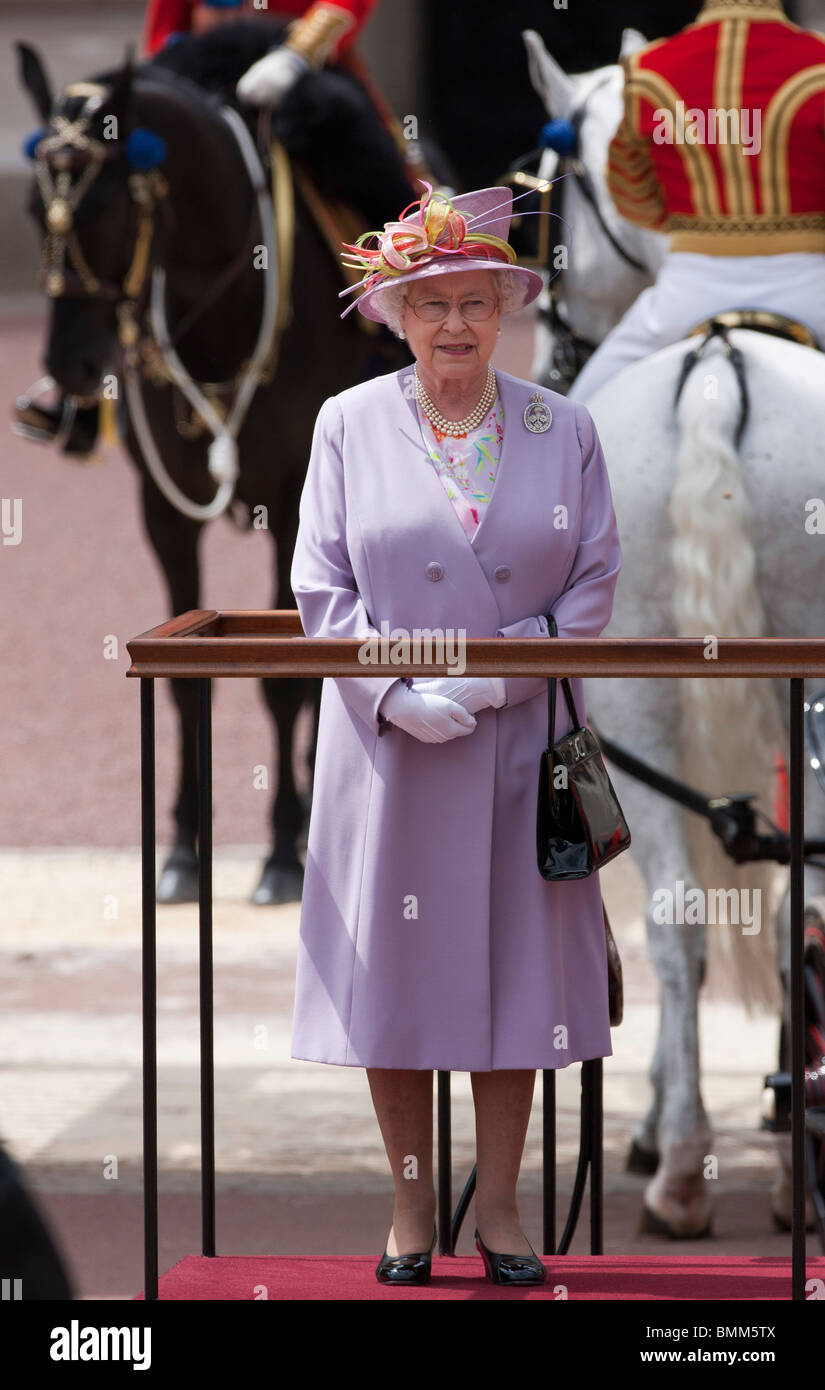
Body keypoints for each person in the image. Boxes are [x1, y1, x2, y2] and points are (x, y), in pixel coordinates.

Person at [289, 181, 622, 1284]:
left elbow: (594, 584)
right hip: (388, 750)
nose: (455, 326)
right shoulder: (346, 424)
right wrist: (398, 693)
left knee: (516, 976)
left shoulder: (561, 426)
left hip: (520, 749)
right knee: (399, 978)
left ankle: (505, 1210)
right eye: (430, 305)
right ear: (396, 315)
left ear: (507, 309)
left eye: (476, 303)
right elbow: (321, 588)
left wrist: (496, 684)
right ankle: (409, 1207)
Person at [568, 0, 825, 402]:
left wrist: (688, 221)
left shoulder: (650, 68)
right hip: (812, 288)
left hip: (689, 290)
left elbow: (632, 192)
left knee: (575, 421)